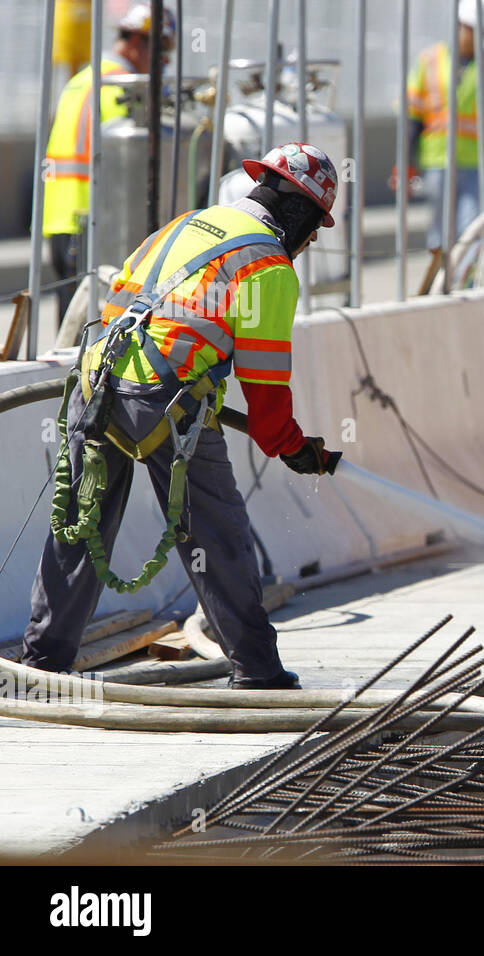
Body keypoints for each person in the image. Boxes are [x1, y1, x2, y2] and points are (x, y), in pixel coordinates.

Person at [22, 142, 343, 691]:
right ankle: (259, 673)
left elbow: (127, 302)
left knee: (80, 526)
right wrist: (292, 447)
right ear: (297, 209)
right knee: (216, 535)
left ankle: (41, 663)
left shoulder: (189, 224)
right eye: (315, 225)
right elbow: (266, 393)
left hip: (96, 379)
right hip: (164, 404)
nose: (312, 239)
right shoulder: (267, 265)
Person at [42, 3, 176, 323]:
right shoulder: (121, 86)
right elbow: (127, 158)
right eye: (161, 51)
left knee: (72, 322)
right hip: (89, 215)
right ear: (134, 43)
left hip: (60, 213)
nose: (166, 62)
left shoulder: (87, 76)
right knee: (92, 323)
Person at [402, 0, 484, 287]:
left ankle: (463, 287)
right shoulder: (429, 60)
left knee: (472, 231)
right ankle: (438, 285)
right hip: (438, 162)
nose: (473, 37)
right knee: (441, 231)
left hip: (482, 164)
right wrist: (406, 163)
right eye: (470, 29)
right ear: (459, 26)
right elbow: (414, 116)